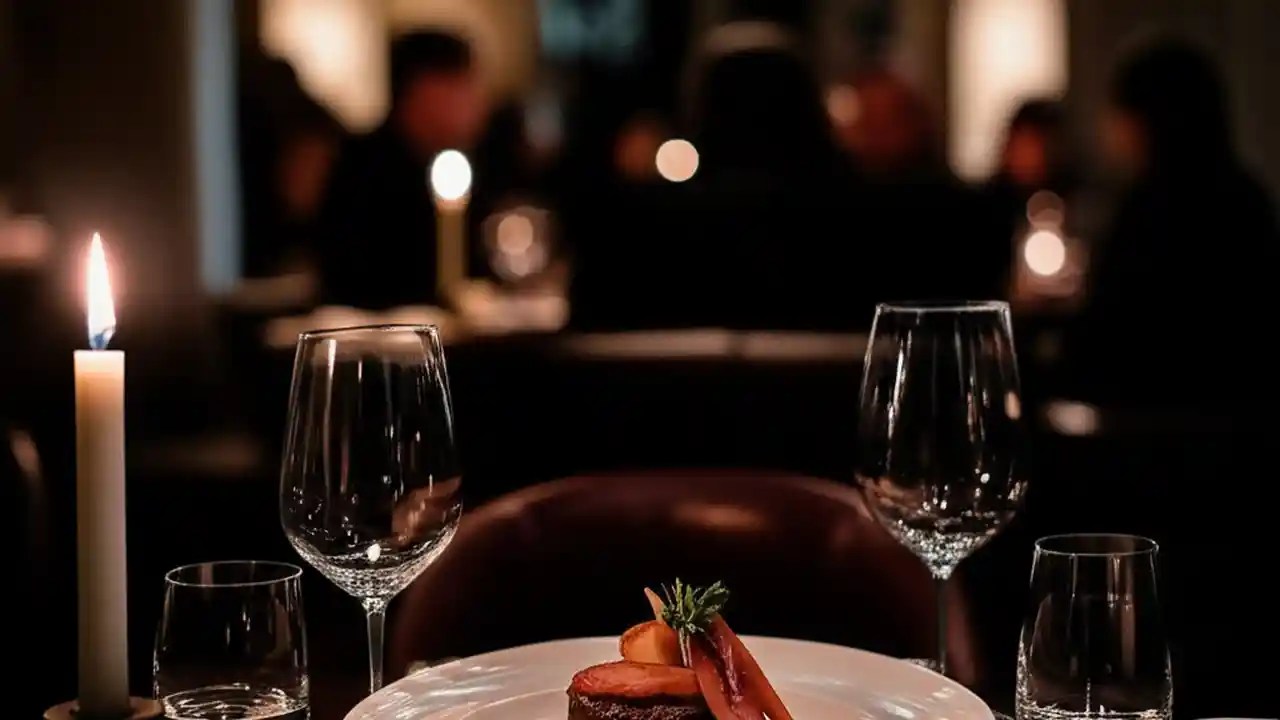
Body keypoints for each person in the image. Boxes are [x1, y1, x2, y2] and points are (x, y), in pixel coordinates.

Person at [1066, 41, 1277, 411]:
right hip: (1246, 414)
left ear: (1143, 120)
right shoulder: (1245, 193)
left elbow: (1108, 338)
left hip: (1151, 422)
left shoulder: (1150, 204)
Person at [317, 31, 487, 308]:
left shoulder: (477, 165)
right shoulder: (364, 169)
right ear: (422, 89)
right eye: (462, 86)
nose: (476, 103)